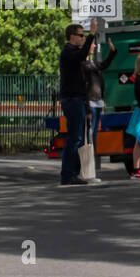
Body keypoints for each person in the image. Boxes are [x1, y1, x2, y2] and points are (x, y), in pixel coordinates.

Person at [58, 20, 97, 185]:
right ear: (73, 36)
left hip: (77, 98)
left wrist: (87, 106)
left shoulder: (74, 53)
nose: (83, 39)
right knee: (74, 137)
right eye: (81, 35)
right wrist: (92, 34)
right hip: (72, 99)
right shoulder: (68, 51)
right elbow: (81, 55)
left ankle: (74, 172)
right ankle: (68, 174)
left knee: (78, 138)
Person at [82, 35, 118, 151]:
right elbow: (83, 86)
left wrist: (112, 52)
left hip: (98, 101)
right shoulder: (83, 65)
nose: (94, 45)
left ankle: (93, 154)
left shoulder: (93, 62)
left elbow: (104, 65)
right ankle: (89, 154)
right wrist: (87, 108)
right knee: (90, 131)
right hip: (90, 101)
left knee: (95, 130)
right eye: (92, 44)